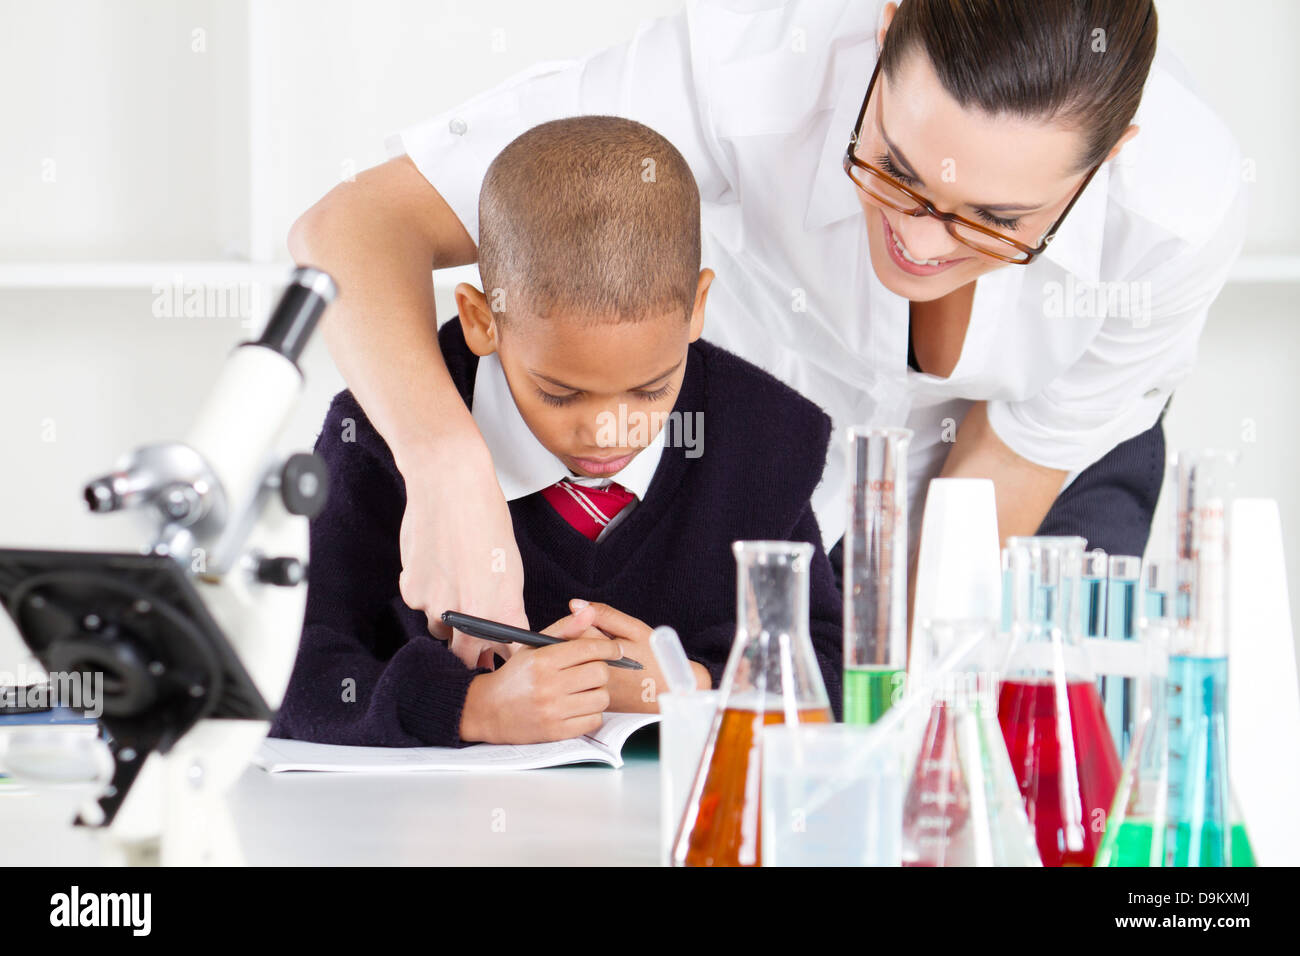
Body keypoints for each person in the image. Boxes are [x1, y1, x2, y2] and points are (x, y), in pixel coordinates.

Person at [289, 0, 1246, 660]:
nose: (916, 240)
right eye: (895, 169)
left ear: (1110, 160)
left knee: (1024, 748)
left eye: (992, 219)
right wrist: (446, 468)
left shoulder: (1179, 214)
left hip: (1033, 465)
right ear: (885, 29)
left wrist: (897, 702)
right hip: (781, 443)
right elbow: (354, 227)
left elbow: (1003, 479)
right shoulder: (752, 61)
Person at [271, 116, 843, 747]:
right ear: (481, 319)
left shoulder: (762, 439)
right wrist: (470, 707)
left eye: (651, 388)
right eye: (561, 392)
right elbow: (285, 668)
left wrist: (693, 685)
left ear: (696, 309)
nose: (607, 430)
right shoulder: (376, 437)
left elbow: (835, 668)